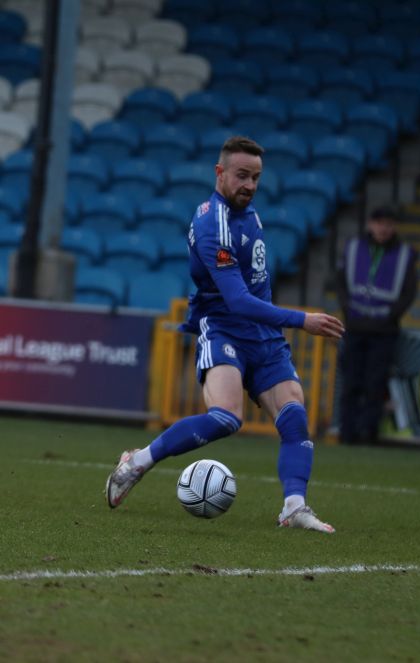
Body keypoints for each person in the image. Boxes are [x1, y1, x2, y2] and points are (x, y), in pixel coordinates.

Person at [105, 136, 345, 534]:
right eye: (241, 176)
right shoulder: (212, 224)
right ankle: (138, 462)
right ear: (219, 173)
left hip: (264, 337)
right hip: (223, 329)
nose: (249, 185)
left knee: (294, 417)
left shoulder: (248, 214)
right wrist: (302, 319)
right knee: (226, 418)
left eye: (256, 178)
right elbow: (236, 300)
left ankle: (294, 507)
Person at [333, 204, 418, 444]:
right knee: (351, 381)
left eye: (388, 224)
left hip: (384, 331)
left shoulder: (405, 254)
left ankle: (368, 433)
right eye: (379, 223)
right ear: (370, 224)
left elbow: (409, 292)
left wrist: (390, 315)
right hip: (355, 327)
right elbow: (340, 283)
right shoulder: (353, 247)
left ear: (394, 227)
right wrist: (348, 311)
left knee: (375, 384)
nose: (383, 228)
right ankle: (347, 432)